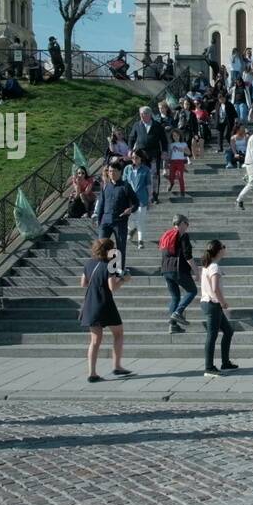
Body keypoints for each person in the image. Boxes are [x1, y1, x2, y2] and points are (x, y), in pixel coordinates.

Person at [79, 238, 133, 383]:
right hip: (105, 303)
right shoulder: (110, 265)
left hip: (91, 303)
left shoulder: (89, 263)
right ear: (109, 250)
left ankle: (92, 373)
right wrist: (124, 280)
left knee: (95, 340)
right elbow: (112, 287)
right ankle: (117, 366)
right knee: (118, 333)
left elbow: (83, 283)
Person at [200, 240, 238, 377]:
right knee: (212, 335)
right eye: (223, 247)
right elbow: (215, 288)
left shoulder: (208, 265)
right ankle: (209, 367)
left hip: (209, 303)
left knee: (228, 331)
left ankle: (225, 362)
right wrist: (223, 302)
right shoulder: (214, 267)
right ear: (219, 251)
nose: (225, 248)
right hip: (212, 304)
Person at [94, 160, 139, 271]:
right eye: (109, 171)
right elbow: (101, 205)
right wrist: (99, 220)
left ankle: (119, 269)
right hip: (105, 221)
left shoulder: (125, 186)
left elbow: (136, 203)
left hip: (119, 222)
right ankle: (102, 268)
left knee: (120, 247)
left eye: (114, 171)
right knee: (101, 246)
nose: (111, 173)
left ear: (120, 172)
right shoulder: (106, 186)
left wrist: (130, 209)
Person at [160, 214, 198, 334]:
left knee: (175, 297)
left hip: (166, 270)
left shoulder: (166, 235)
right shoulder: (183, 235)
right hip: (178, 269)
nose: (187, 227)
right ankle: (177, 313)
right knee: (192, 291)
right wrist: (196, 271)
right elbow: (188, 255)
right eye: (186, 224)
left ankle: (173, 326)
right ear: (181, 223)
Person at [127, 106, 169, 204]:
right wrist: (130, 149)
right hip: (141, 155)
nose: (142, 115)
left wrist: (165, 151)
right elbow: (131, 138)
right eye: (141, 113)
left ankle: (155, 196)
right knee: (141, 174)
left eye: (144, 113)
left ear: (150, 114)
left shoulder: (157, 125)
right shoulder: (137, 125)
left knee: (154, 175)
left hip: (154, 154)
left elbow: (164, 140)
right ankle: (143, 195)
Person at [124, 149, 153, 250]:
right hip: (130, 199)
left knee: (141, 221)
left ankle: (141, 241)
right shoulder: (127, 169)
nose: (134, 159)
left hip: (142, 198)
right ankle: (132, 229)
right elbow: (124, 183)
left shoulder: (145, 170)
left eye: (136, 157)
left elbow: (149, 185)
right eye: (132, 158)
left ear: (141, 158)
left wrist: (150, 198)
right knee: (129, 220)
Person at [167, 129, 191, 196]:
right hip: (172, 162)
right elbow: (169, 154)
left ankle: (182, 192)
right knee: (171, 176)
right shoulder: (171, 145)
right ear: (172, 137)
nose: (176, 137)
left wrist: (183, 150)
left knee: (180, 176)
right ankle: (171, 183)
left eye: (177, 135)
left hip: (180, 162)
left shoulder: (183, 144)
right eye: (174, 136)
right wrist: (167, 161)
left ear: (180, 136)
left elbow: (189, 153)